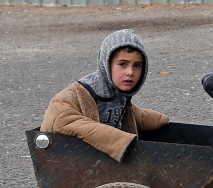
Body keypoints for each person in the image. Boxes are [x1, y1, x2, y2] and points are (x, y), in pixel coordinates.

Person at [41, 29, 168, 161]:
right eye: (123, 64)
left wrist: (162, 121)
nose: (130, 72)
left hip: (98, 162)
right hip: (67, 159)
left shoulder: (118, 93)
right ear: (107, 64)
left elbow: (135, 115)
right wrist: (119, 140)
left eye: (137, 65)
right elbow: (61, 119)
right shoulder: (76, 95)